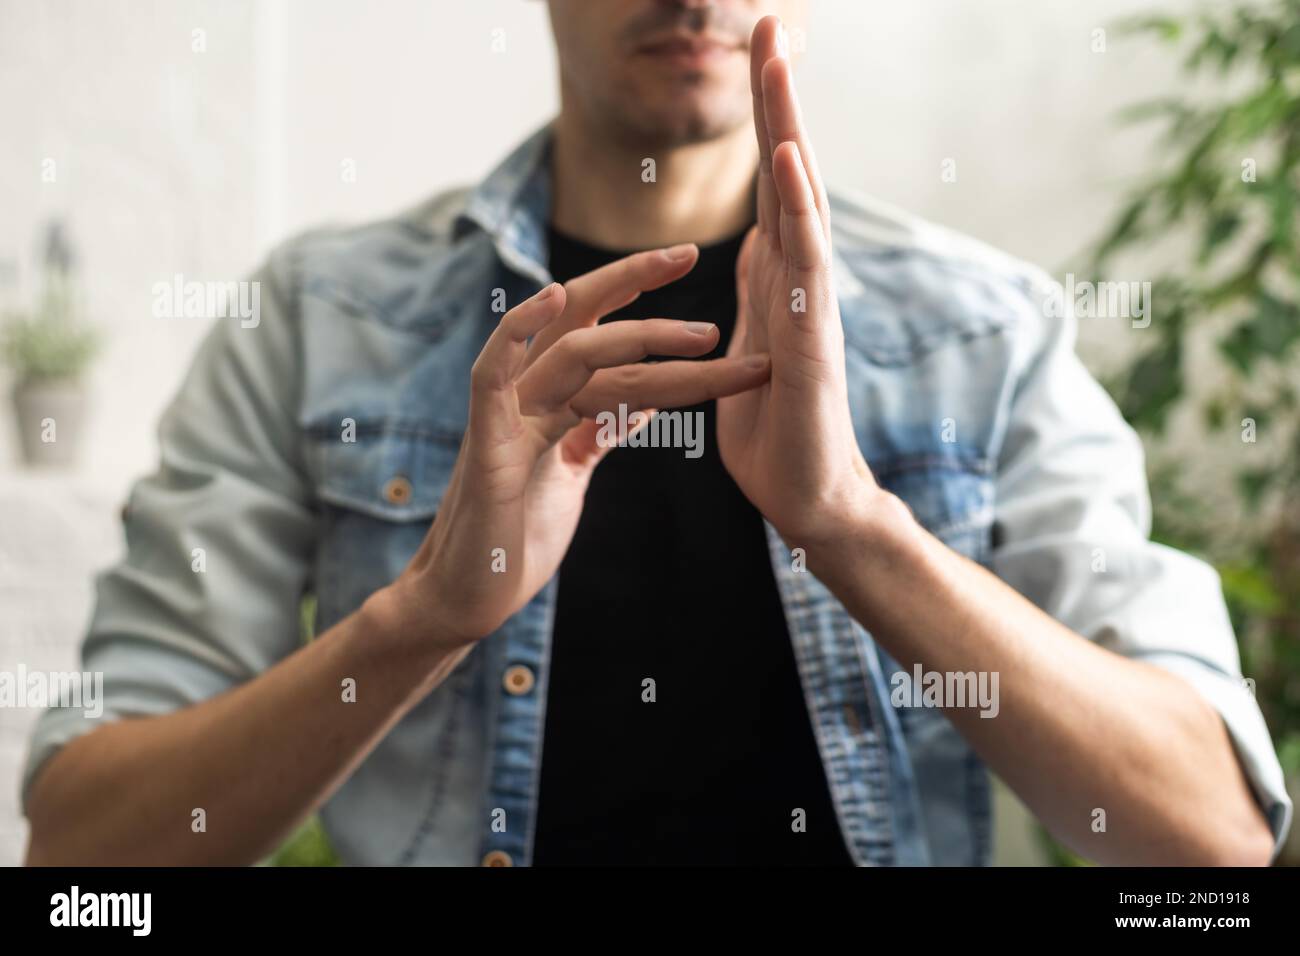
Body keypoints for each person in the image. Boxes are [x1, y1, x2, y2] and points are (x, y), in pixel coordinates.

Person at [23, 1, 1290, 867]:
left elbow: (1212, 834)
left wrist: (854, 525)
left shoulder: (982, 324)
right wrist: (423, 613)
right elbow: (89, 853)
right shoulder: (316, 319)